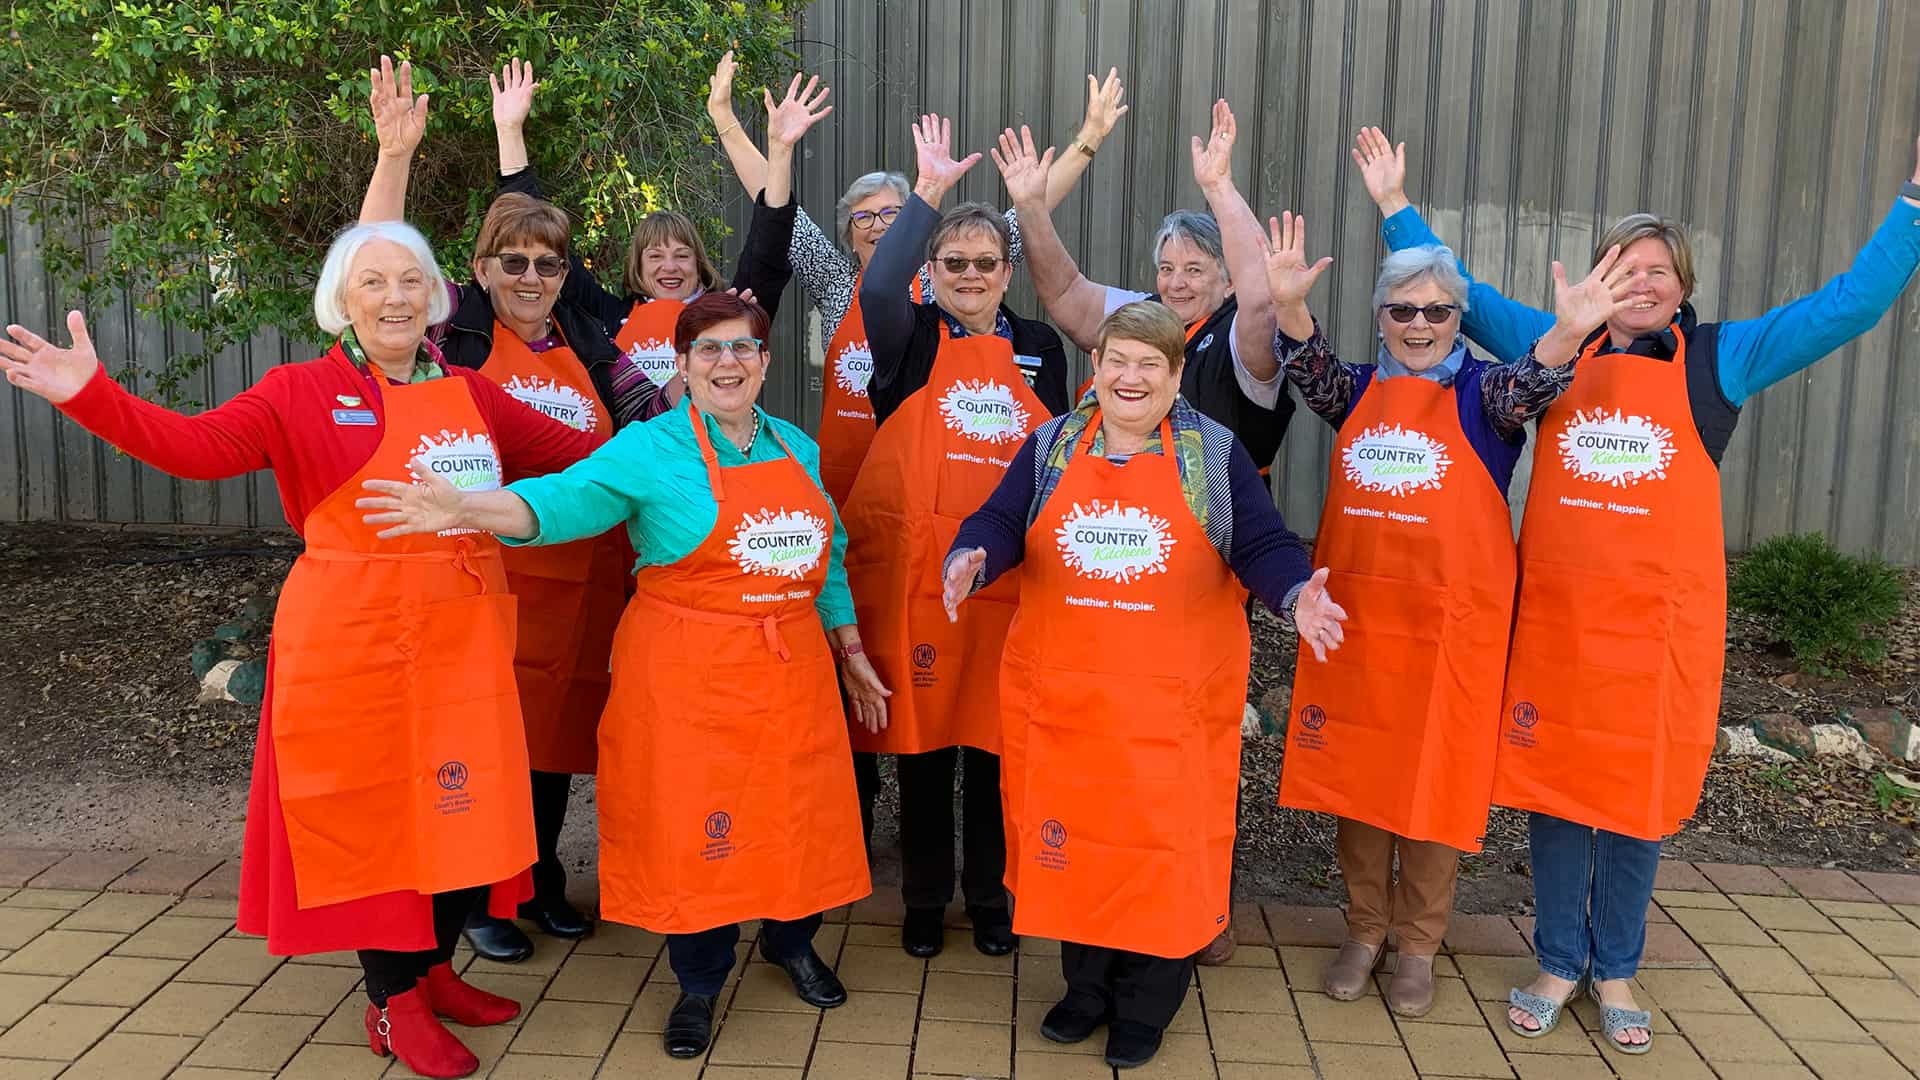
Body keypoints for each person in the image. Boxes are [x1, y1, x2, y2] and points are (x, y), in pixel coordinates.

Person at [1353, 125, 1920, 1052]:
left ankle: (1615, 965)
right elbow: (1461, 290)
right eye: (1627, 266)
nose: (1644, 282)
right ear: (1600, 277)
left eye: (1661, 271)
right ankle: (1557, 958)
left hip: (1656, 631)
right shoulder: (1557, 344)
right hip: (1559, 625)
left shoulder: (1723, 359)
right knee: (1553, 788)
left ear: (1683, 289)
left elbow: (1847, 307)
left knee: (1636, 797)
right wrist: (1392, 206)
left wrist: (1914, 205)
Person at [2, 214, 601, 1078]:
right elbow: (196, 450)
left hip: (463, 640)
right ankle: (394, 1003)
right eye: (373, 281)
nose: (395, 297)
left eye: (410, 280)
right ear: (341, 301)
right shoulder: (298, 391)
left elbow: (589, 455)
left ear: (436, 296)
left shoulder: (471, 392)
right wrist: (90, 395)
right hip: (356, 644)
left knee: (462, 811)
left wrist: (691, 434)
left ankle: (436, 970)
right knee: (377, 826)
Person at [358, 291, 890, 1061]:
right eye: (708, 349)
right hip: (688, 674)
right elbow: (562, 500)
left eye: (742, 347)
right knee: (695, 823)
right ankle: (700, 982)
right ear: (683, 364)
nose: (727, 363)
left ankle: (791, 941)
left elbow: (828, 555)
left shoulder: (796, 448)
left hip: (790, 672)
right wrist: (467, 508)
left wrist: (851, 651)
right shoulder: (650, 449)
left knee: (797, 812)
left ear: (765, 361)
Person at [941, 300, 1345, 1068]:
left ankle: (1145, 1005)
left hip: (1169, 712)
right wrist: (972, 555)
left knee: (1161, 856)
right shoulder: (1052, 445)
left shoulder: (1212, 454)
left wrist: (1296, 596)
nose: (1130, 377)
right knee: (1079, 851)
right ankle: (1085, 990)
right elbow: (999, 520)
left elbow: (1261, 543)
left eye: (1148, 364)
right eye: (1117, 360)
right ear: (1096, 367)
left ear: (1175, 374)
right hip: (1070, 706)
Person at [1263, 211, 1634, 1016]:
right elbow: (1307, 364)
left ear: (1458, 318)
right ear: (1381, 317)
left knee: (1437, 781)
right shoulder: (1356, 390)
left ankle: (1419, 943)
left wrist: (1570, 332)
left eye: (1437, 310)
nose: (1420, 324)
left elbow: (1536, 378)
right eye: (1403, 310)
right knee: (1359, 778)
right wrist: (1288, 305)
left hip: (1449, 632)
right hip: (1359, 625)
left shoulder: (1487, 396)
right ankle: (1365, 928)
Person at [840, 112, 1073, 960]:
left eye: (984, 263)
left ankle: (990, 896)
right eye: (953, 263)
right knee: (927, 742)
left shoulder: (1041, 345)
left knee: (996, 739)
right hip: (920, 574)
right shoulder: (907, 336)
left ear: (1006, 271)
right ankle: (925, 898)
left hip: (1010, 572)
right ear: (930, 272)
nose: (970, 276)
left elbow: (1058, 451)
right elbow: (875, 291)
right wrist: (928, 192)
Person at [706, 52, 1128, 504]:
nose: (878, 226)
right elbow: (778, 210)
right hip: (846, 483)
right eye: (863, 217)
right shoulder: (833, 281)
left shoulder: (945, 281)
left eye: (892, 213)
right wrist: (730, 122)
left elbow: (1028, 211)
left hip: (929, 481)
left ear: (914, 224)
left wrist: (1089, 139)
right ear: (849, 235)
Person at [1006, 101, 1295, 472]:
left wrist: (1219, 187)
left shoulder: (1239, 334)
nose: (1176, 283)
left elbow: (1264, 300)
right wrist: (1030, 208)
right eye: (1167, 268)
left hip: (1213, 506)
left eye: (1194, 270)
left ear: (1229, 283)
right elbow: (1066, 294)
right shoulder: (1147, 312)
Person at [494, 68, 801, 396]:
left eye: (681, 256)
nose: (670, 267)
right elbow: (539, 236)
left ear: (698, 265)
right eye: (655, 256)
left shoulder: (729, 311)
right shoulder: (607, 317)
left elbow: (768, 250)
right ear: (637, 268)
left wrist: (780, 153)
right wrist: (509, 131)